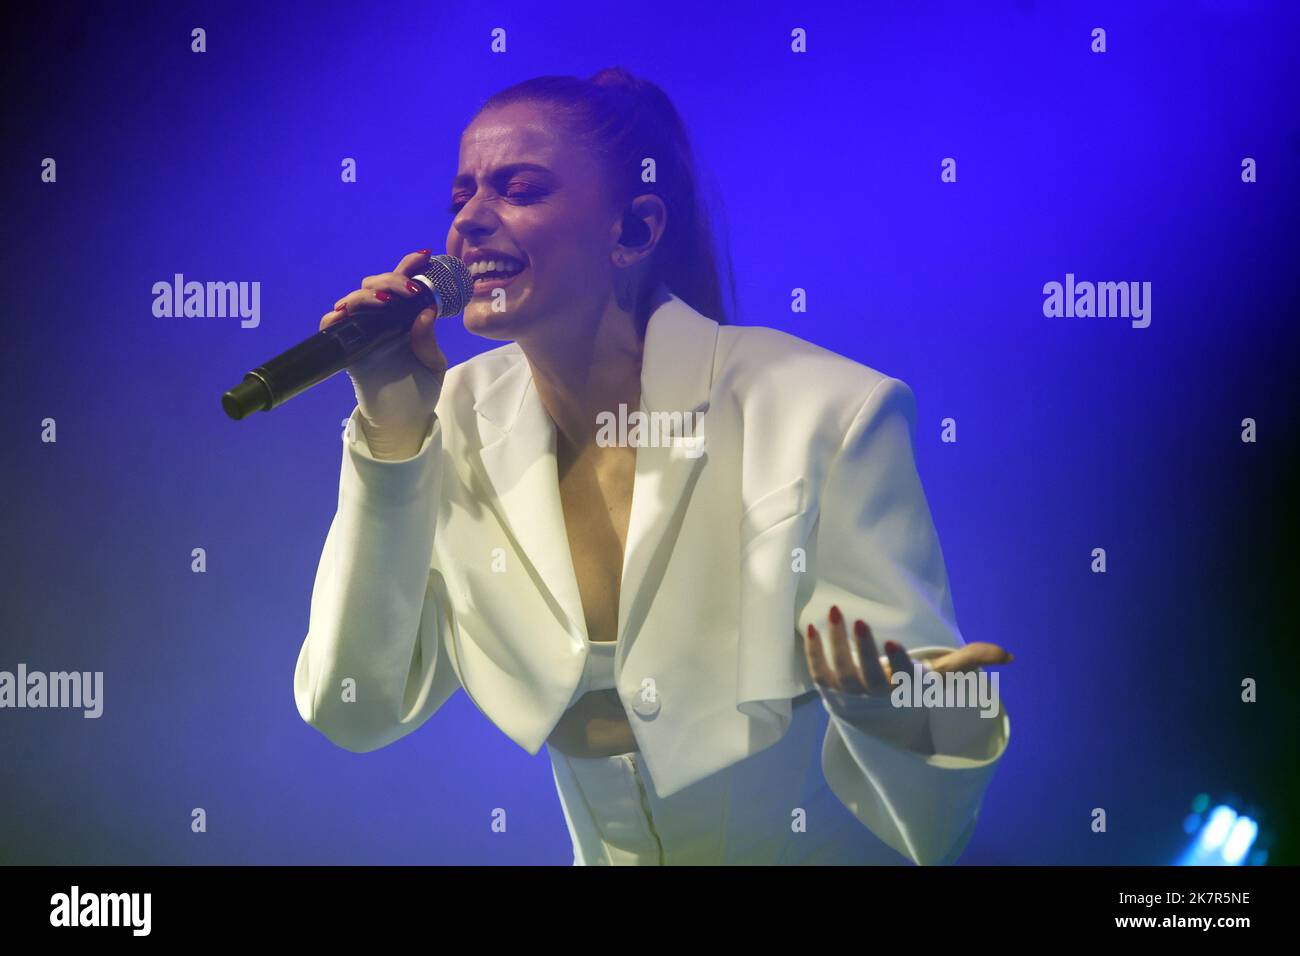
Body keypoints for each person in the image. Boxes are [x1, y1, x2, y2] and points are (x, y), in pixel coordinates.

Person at [293, 67, 1014, 865]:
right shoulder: (444, 422)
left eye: (519, 189)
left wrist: (914, 712)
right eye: (461, 196)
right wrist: (390, 441)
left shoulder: (826, 410)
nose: (470, 224)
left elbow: (941, 813)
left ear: (633, 231)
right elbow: (350, 709)